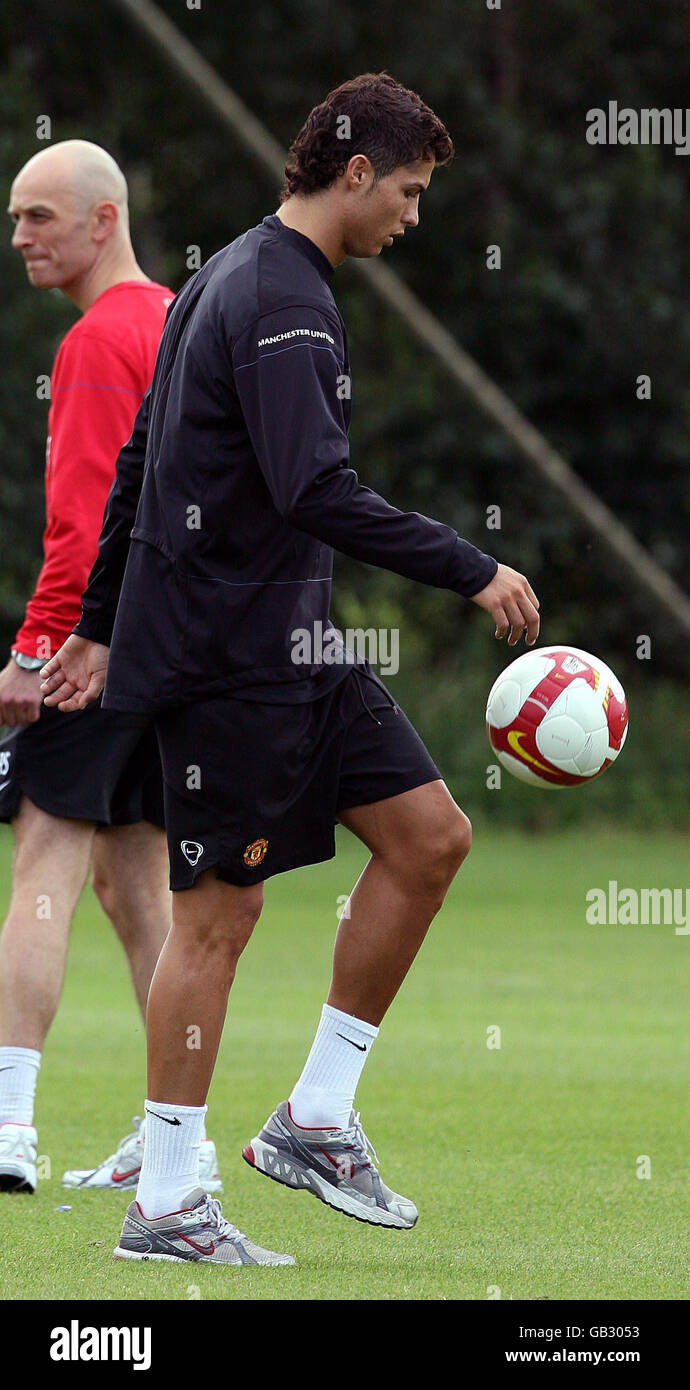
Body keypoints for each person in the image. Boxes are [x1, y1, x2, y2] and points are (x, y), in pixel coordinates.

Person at [42, 74, 539, 1268]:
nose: (416, 217)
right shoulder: (276, 297)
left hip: (298, 645)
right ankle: (166, 1197)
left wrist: (100, 618)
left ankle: (316, 1120)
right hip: (234, 659)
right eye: (412, 192)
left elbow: (141, 464)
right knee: (219, 919)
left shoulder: (240, 273)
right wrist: (473, 568)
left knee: (430, 837)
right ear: (356, 172)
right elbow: (314, 487)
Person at [0, 140, 221, 1196]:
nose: (20, 238)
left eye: (39, 216)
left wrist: (37, 650)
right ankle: (166, 1133)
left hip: (96, 648)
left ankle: (5, 1127)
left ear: (105, 220)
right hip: (179, 654)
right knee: (137, 891)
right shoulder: (188, 321)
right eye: (15, 217)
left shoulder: (96, 339)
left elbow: (83, 523)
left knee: (42, 864)